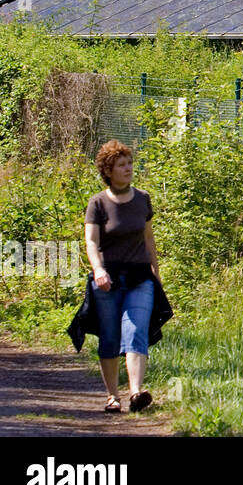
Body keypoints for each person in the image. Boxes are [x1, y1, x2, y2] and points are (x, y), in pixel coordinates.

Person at [84, 140, 160, 413]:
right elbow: (91, 242)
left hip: (140, 277)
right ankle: (112, 396)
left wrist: (156, 273)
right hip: (108, 279)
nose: (128, 168)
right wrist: (98, 270)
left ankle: (137, 392)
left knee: (136, 330)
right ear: (108, 170)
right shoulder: (98, 203)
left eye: (129, 163)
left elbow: (149, 239)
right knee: (110, 337)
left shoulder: (143, 199)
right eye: (121, 164)